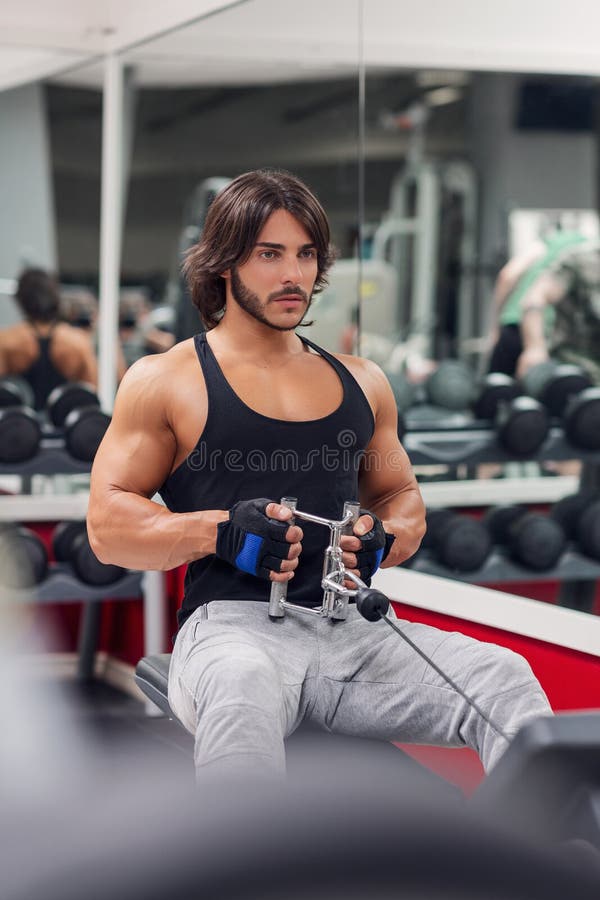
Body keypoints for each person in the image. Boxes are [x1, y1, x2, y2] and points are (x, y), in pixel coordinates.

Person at [87, 169, 551, 778]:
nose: (293, 275)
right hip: (233, 633)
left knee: (504, 678)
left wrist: (382, 536)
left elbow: (400, 496)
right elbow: (106, 523)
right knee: (243, 684)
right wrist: (220, 530)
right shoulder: (167, 379)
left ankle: (549, 863)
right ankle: (248, 873)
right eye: (270, 254)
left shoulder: (362, 381)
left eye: (306, 254)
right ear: (225, 263)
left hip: (351, 634)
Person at [487, 228, 593, 379]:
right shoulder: (584, 250)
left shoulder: (549, 242)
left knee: (497, 390)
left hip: (514, 325)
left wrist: (494, 328)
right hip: (544, 332)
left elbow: (508, 275)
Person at [0, 268, 97, 409]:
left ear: (21, 301)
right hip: (64, 429)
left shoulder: (7, 341)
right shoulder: (78, 341)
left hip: (22, 428)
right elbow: (92, 395)